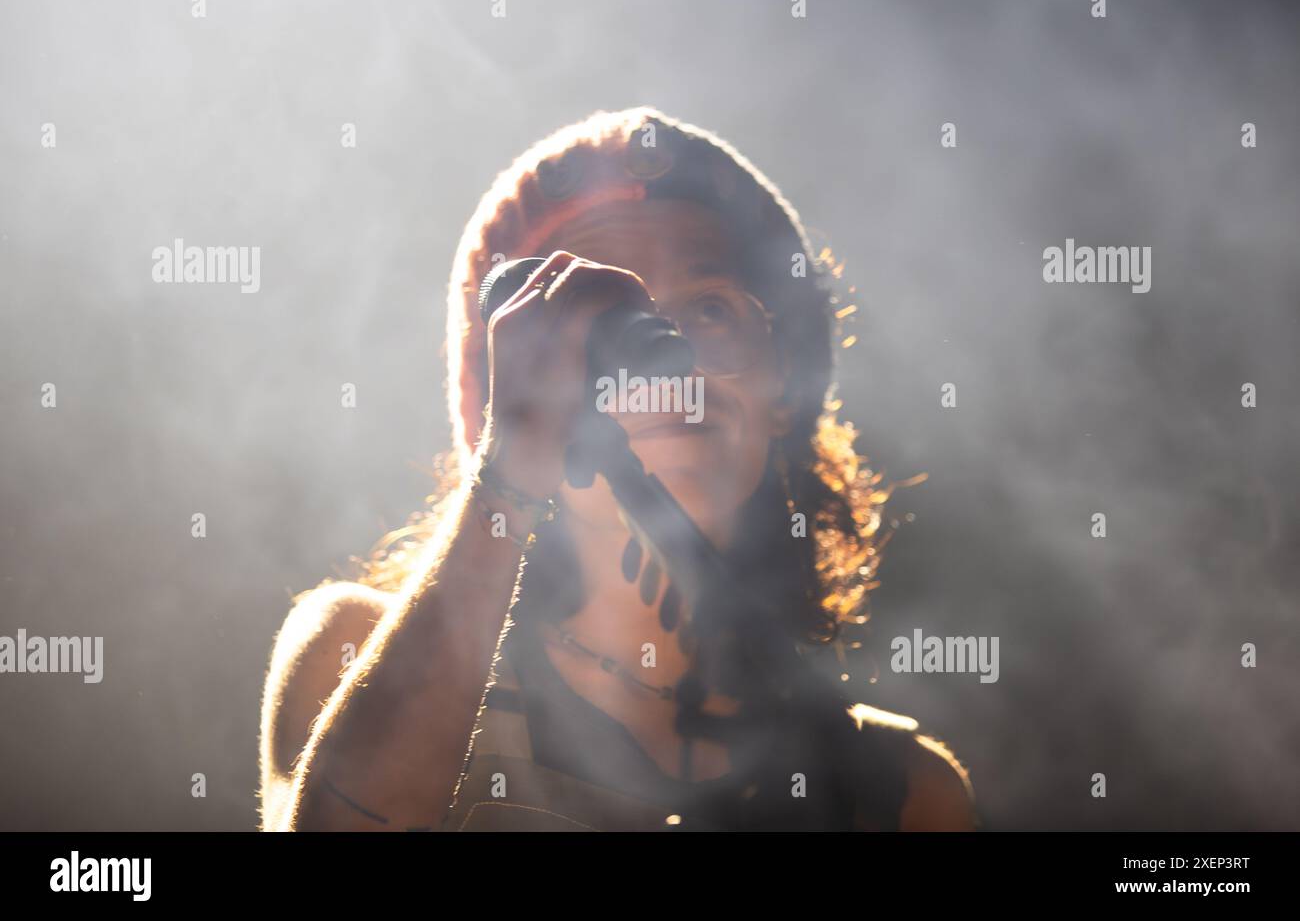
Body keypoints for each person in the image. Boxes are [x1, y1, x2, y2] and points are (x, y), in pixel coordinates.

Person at [258, 107, 977, 831]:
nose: (672, 360)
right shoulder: (353, 659)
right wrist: (514, 470)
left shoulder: (902, 795)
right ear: (509, 386)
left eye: (711, 310)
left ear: (783, 385)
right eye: (610, 321)